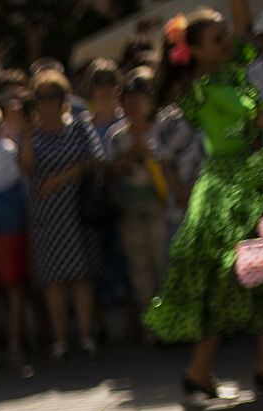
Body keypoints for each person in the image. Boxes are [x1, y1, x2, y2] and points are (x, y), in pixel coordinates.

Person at [148, 5, 263, 397]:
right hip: (222, 188)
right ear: (194, 50)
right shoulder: (201, 89)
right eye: (218, 38)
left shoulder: (231, 77)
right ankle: (199, 371)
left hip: (246, 176)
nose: (227, 41)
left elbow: (261, 113)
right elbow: (253, 121)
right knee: (224, 278)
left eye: (225, 35)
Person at [23, 69, 107, 358]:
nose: (47, 103)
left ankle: (85, 336)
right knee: (54, 281)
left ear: (63, 98)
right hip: (47, 218)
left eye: (53, 97)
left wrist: (60, 179)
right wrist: (24, 130)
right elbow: (25, 167)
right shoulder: (31, 135)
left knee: (81, 276)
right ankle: (60, 340)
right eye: (41, 97)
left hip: (77, 211)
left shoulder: (80, 127)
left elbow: (96, 159)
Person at [109, 70, 174, 338]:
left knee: (163, 262)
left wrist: (150, 153)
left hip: (159, 205)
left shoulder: (161, 128)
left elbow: (172, 163)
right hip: (129, 208)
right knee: (139, 268)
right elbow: (108, 171)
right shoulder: (116, 136)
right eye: (128, 101)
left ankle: (172, 320)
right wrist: (125, 159)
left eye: (138, 100)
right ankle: (153, 326)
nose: (133, 107)